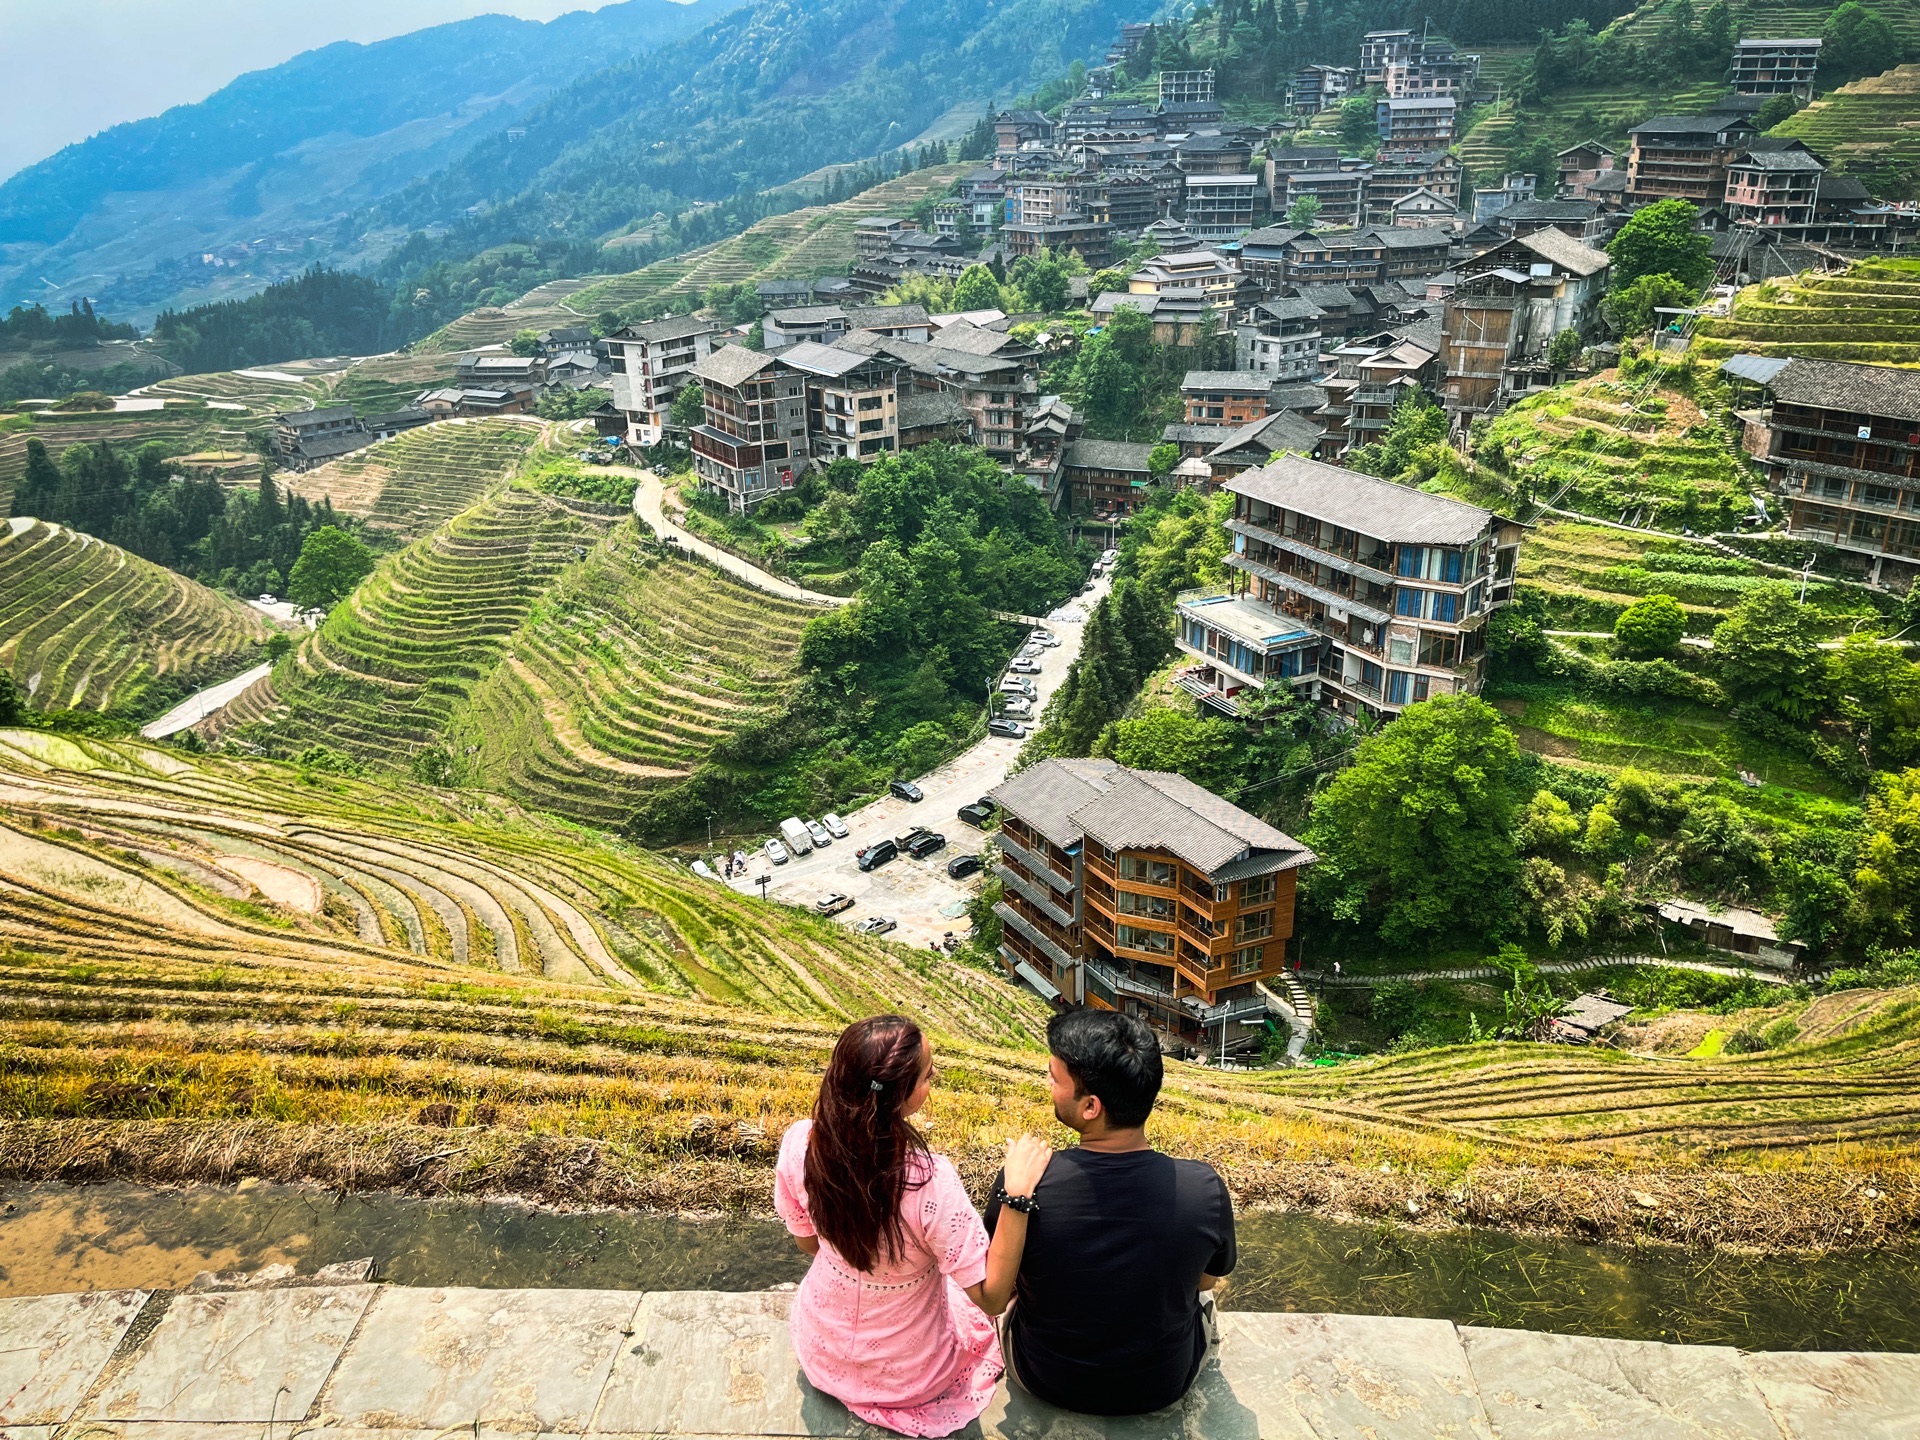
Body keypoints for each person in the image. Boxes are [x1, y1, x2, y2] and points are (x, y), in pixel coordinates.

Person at [776, 1015, 1052, 1437]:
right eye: (927, 1076)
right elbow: (993, 1298)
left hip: (823, 1345)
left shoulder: (801, 1143)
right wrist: (1016, 1196)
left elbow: (808, 1244)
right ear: (900, 1097)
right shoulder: (930, 1183)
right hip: (909, 1373)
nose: (935, 1077)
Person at [985, 1009, 1235, 1417]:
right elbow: (1204, 1280)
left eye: (1054, 1077)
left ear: (1090, 1107)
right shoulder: (1203, 1187)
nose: (1048, 1084)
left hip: (1043, 1377)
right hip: (1162, 1386)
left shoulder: (1026, 1181)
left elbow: (998, 1283)